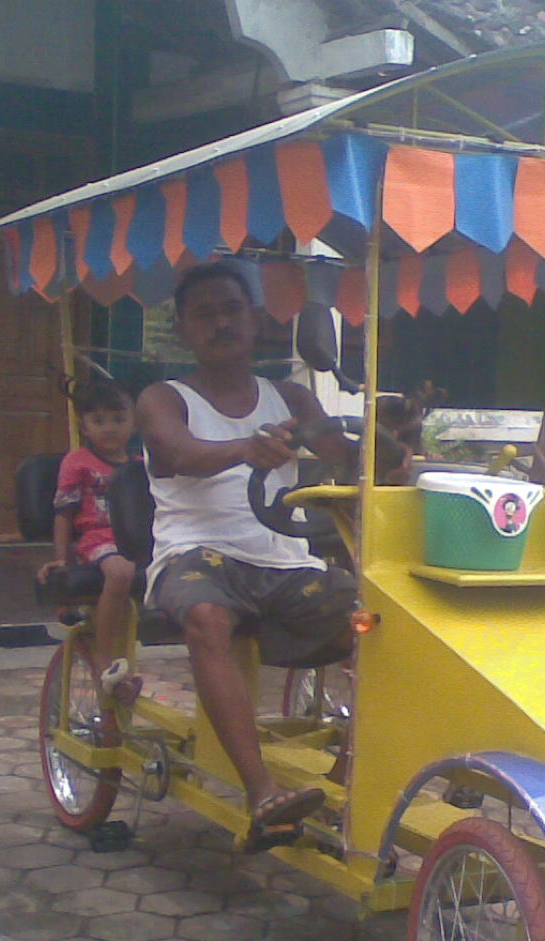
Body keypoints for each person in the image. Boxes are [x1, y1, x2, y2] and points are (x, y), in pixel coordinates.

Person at [136, 261, 356, 852]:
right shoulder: (164, 397)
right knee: (207, 618)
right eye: (204, 314)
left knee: (383, 624)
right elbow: (175, 451)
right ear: (182, 330)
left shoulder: (289, 395)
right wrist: (246, 448)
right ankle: (262, 794)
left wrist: (387, 436)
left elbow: (338, 448)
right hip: (194, 554)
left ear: (255, 319)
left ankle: (345, 780)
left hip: (282, 557)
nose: (220, 323)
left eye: (231, 309)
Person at [36, 378, 141, 701]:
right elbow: (64, 512)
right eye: (99, 421)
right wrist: (62, 559)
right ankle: (103, 657)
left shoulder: (141, 466)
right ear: (84, 425)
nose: (110, 428)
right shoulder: (77, 462)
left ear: (133, 422)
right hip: (98, 539)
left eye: (118, 419)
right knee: (121, 573)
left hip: (137, 540)